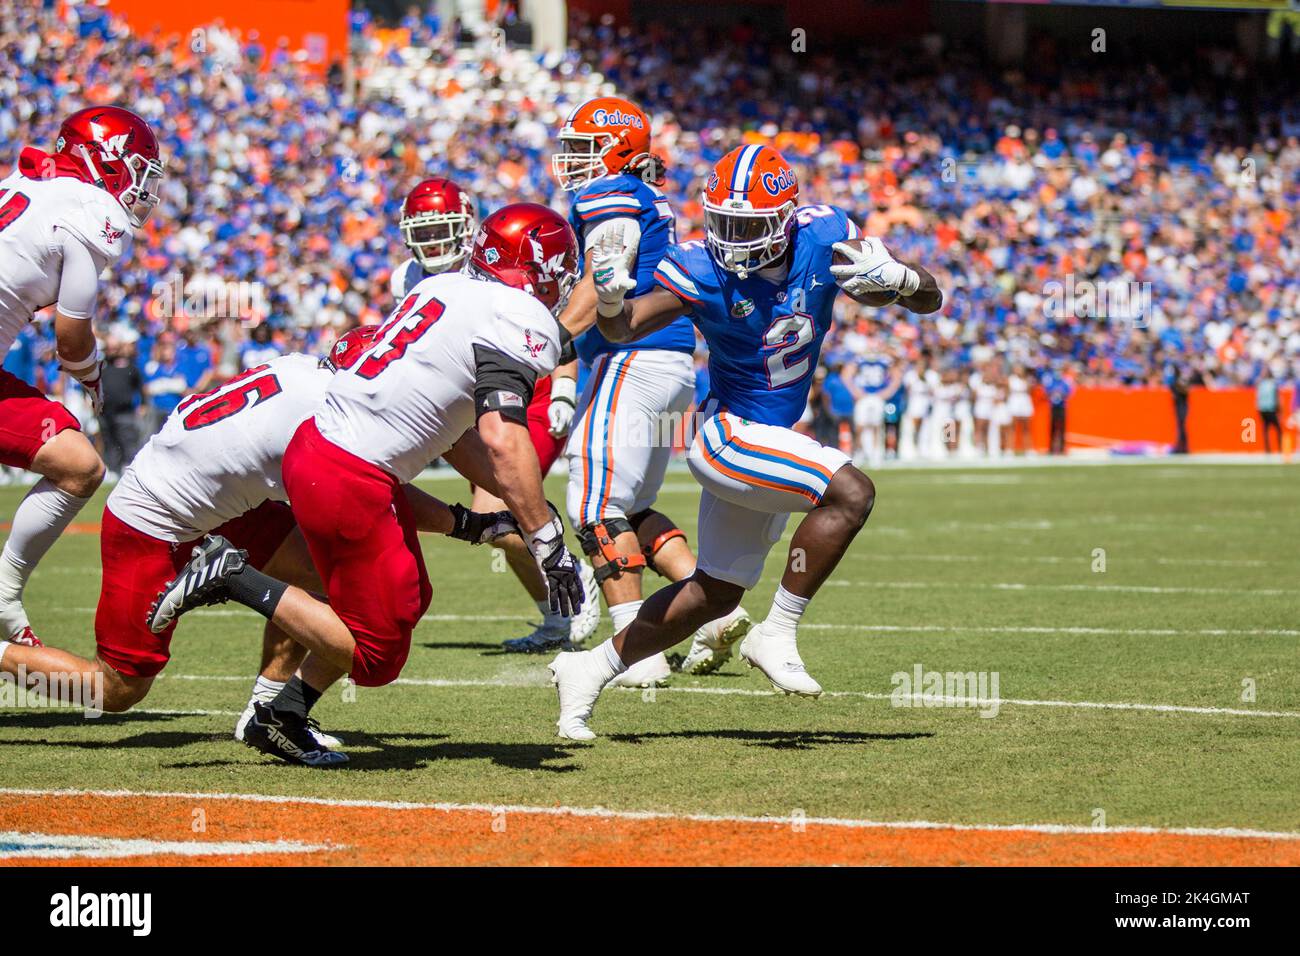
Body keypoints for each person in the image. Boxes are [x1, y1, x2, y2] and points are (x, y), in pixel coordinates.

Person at [148, 204, 588, 766]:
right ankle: (233, 577)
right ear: (543, 268)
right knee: (377, 656)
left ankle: (283, 715)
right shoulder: (513, 312)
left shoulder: (447, 288)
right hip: (349, 472)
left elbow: (456, 439)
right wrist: (546, 537)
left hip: (329, 456)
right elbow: (502, 438)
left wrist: (481, 520)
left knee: (409, 600)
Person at [549, 144, 942, 740]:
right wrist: (606, 299)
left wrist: (903, 280)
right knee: (852, 493)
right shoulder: (701, 267)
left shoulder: (827, 236)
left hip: (769, 435)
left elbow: (930, 300)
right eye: (724, 223)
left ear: (787, 216)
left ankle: (588, 669)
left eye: (748, 226)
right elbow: (624, 325)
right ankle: (777, 632)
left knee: (713, 592)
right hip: (726, 435)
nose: (732, 239)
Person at [0, 329, 513, 759]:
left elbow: (382, 493)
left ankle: (271, 713)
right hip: (153, 522)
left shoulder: (298, 370)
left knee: (329, 579)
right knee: (115, 689)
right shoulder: (327, 416)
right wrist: (469, 524)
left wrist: (467, 523)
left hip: (216, 501)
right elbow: (378, 498)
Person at [545, 96, 751, 680]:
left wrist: (548, 340)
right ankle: (707, 612)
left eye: (584, 149)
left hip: (632, 359)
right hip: (669, 364)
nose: (573, 162)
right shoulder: (643, 192)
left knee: (592, 506)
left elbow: (602, 274)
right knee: (631, 507)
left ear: (617, 149)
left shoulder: (610, 192)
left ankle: (636, 649)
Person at [392, 177, 599, 655]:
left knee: (493, 514)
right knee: (500, 524)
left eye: (442, 230)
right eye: (422, 233)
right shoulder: (407, 278)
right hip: (473, 403)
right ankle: (557, 613)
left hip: (528, 395)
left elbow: (548, 321)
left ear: (467, 228)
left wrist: (566, 385)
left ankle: (567, 571)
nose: (433, 243)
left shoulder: (494, 261)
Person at [0, 106, 162, 649]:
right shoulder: (88, 210)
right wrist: (91, 376)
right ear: (106, 159)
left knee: (76, 462)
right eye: (138, 169)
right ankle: (2, 593)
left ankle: (2, 596)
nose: (143, 187)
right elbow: (72, 337)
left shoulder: (27, 180)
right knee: (79, 466)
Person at [97, 335, 145, 477]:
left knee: (128, 442)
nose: (112, 350)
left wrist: (143, 404)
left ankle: (131, 471)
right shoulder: (100, 367)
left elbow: (140, 386)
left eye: (115, 348)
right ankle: (112, 470)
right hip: (105, 412)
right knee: (109, 442)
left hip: (125, 412)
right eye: (110, 348)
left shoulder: (130, 366)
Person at [1256, 365, 1281, 453]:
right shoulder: (1263, 383)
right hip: (1265, 408)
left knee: (1274, 429)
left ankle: (1277, 448)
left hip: (1269, 408)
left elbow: (1276, 396)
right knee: (1268, 429)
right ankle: (1269, 449)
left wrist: (1278, 408)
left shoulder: (1269, 383)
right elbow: (1259, 396)